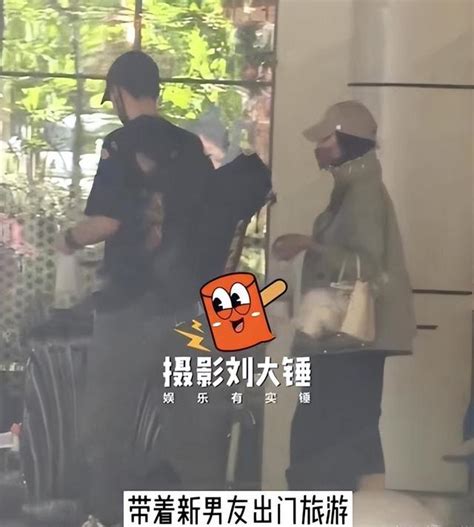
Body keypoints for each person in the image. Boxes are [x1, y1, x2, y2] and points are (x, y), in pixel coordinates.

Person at [56, 51, 224, 525]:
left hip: (130, 305)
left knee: (104, 427)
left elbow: (106, 222)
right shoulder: (191, 147)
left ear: (118, 92)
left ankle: (109, 517)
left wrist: (69, 239)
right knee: (193, 431)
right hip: (189, 306)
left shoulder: (119, 143)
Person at [272, 100, 416, 492]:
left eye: (325, 140)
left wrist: (310, 245)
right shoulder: (353, 189)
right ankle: (355, 508)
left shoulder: (363, 193)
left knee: (325, 431)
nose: (317, 148)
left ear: (345, 142)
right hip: (347, 341)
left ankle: (323, 507)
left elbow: (366, 265)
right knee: (348, 431)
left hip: (349, 342)